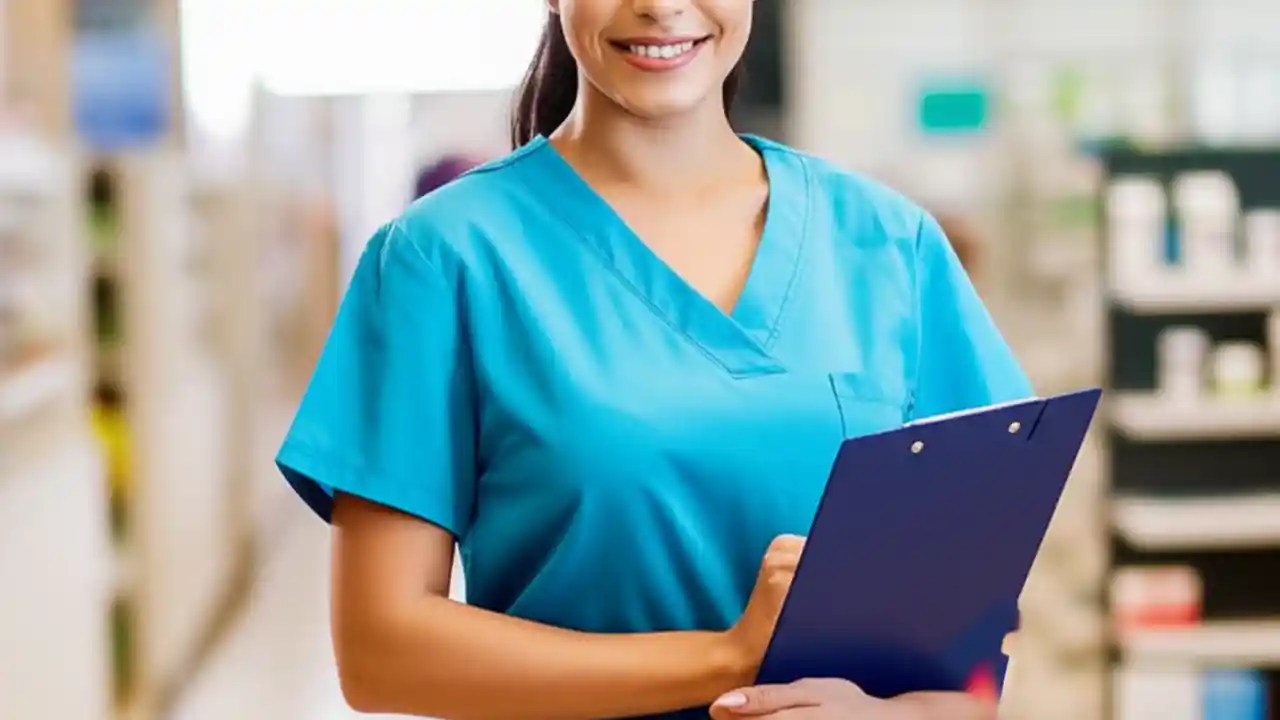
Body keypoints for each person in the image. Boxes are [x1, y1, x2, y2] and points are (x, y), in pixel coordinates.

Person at [275, 1, 1032, 718]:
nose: (661, 5)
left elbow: (969, 648)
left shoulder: (888, 244)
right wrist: (729, 658)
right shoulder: (443, 259)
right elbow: (382, 652)